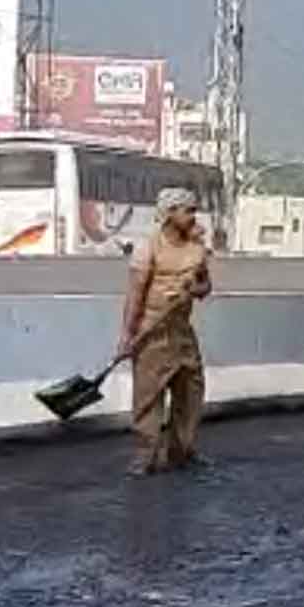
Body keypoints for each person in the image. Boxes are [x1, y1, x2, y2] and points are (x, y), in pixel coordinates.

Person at [117, 187, 213, 476]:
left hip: (182, 332)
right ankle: (145, 455)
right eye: (188, 210)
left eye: (194, 210)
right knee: (148, 396)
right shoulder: (148, 248)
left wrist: (194, 289)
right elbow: (134, 296)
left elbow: (206, 286)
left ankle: (181, 451)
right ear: (170, 213)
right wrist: (126, 337)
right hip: (151, 333)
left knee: (190, 392)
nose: (193, 216)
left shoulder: (197, 248)